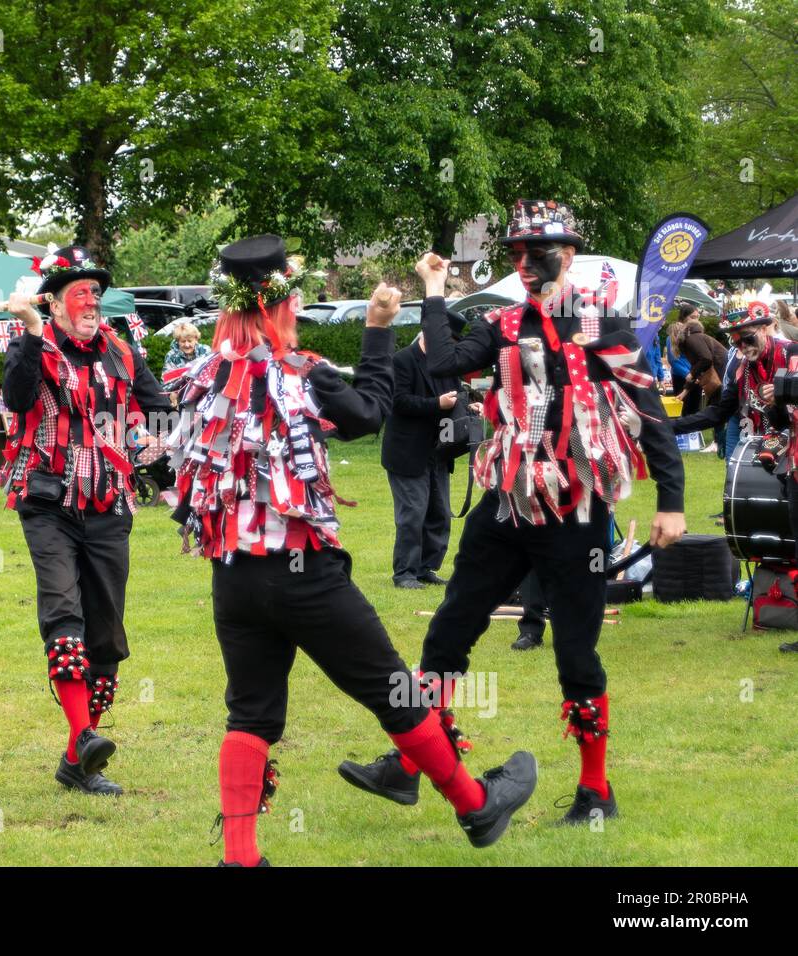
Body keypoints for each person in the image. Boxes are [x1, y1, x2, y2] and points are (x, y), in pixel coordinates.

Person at [165, 234, 537, 865]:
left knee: (250, 714)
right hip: (302, 574)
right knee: (396, 691)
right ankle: (476, 806)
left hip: (232, 576)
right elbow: (368, 413)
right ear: (278, 303)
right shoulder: (298, 371)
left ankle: (241, 858)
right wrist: (375, 329)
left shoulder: (201, 376)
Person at [340, 201, 686, 825]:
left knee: (576, 653)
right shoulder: (501, 324)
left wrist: (671, 501)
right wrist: (436, 291)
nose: (525, 265)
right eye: (516, 255)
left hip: (575, 512)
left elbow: (651, 413)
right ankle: (414, 764)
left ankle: (595, 792)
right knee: (450, 627)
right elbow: (442, 362)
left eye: (539, 253)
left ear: (570, 257)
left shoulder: (606, 327)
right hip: (507, 503)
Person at [1, 245, 173, 796]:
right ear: (51, 304)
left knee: (107, 635)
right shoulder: (33, 344)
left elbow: (159, 407)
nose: (91, 300)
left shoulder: (122, 352)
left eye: (95, 292)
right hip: (48, 502)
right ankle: (82, 737)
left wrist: (165, 463)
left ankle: (79, 759)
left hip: (109, 506)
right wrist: (29, 334)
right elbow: (17, 396)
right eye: (78, 291)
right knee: (62, 611)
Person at [673, 300, 798, 654]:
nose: (741, 348)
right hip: (787, 458)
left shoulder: (793, 353)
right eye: (736, 342)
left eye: (746, 339)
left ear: (767, 327)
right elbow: (719, 412)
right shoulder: (743, 369)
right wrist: (669, 426)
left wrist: (787, 390)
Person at [382, 328, 461, 589]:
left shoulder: (446, 365)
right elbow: (398, 401)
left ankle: (426, 567)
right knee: (413, 514)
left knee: (440, 513)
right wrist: (437, 403)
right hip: (407, 451)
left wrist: (468, 404)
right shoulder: (403, 360)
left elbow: (456, 395)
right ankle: (405, 572)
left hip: (438, 450)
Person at [676, 317, 727, 453]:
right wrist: (685, 391)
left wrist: (692, 374)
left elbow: (706, 359)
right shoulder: (698, 338)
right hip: (720, 375)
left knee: (717, 408)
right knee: (718, 407)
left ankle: (718, 443)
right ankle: (719, 441)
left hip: (720, 376)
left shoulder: (692, 339)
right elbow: (699, 364)